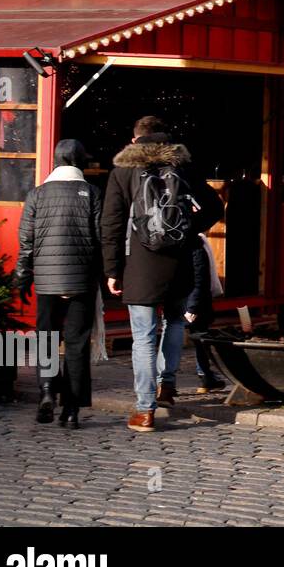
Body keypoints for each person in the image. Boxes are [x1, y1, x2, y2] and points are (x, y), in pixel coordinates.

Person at [102, 116, 224, 433]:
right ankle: (167, 385)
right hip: (179, 260)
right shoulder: (182, 166)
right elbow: (214, 208)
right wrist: (187, 230)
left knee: (143, 336)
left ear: (135, 140)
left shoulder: (122, 171)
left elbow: (111, 224)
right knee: (174, 322)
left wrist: (112, 270)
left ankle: (145, 410)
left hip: (140, 264)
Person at [14, 139, 102, 429]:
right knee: (77, 344)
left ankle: (48, 391)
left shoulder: (37, 194)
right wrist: (105, 274)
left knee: (47, 339)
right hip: (81, 279)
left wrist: (23, 277)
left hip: (47, 280)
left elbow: (26, 241)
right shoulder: (91, 193)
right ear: (80, 162)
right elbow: (101, 238)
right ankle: (73, 408)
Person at [183, 233, 226, 393]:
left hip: (185, 300)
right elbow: (201, 277)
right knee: (200, 338)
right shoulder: (197, 241)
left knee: (198, 338)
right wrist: (193, 307)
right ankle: (205, 375)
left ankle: (204, 376)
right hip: (193, 300)